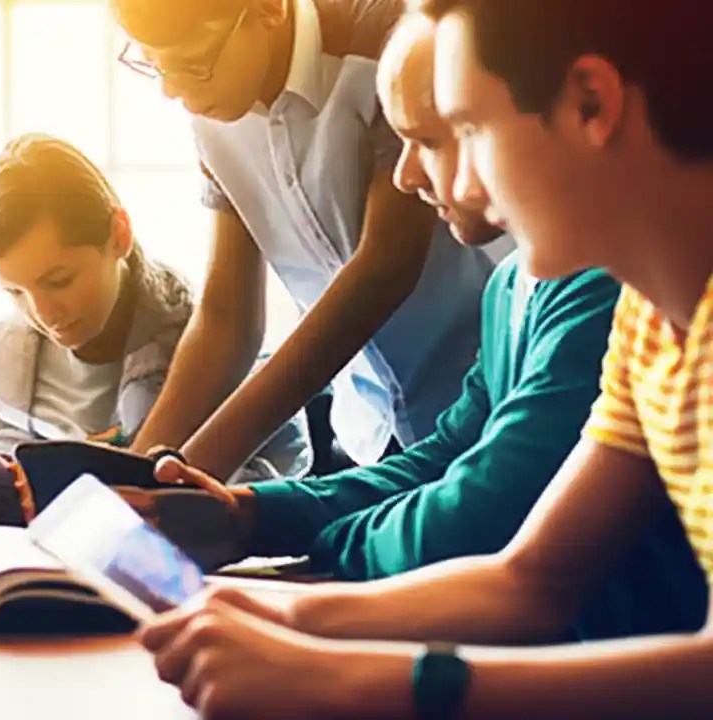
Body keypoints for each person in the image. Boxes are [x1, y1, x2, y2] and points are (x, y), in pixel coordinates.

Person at [135, 1, 713, 717]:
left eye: (465, 128)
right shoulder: (648, 324)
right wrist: (270, 609)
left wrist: (346, 674)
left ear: (592, 103)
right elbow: (532, 579)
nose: (447, 181)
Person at [114, 0, 508, 481]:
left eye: (192, 63)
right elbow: (226, 319)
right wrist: (134, 471)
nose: (172, 91)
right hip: (367, 433)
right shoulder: (213, 113)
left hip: (485, 396)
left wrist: (194, 464)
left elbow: (385, 269)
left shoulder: (384, 45)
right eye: (154, 64)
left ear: (268, 10)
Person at [0, 134, 307, 479]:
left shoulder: (214, 358)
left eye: (59, 281)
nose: (44, 315)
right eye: (15, 292)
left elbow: (263, 488)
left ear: (119, 235)